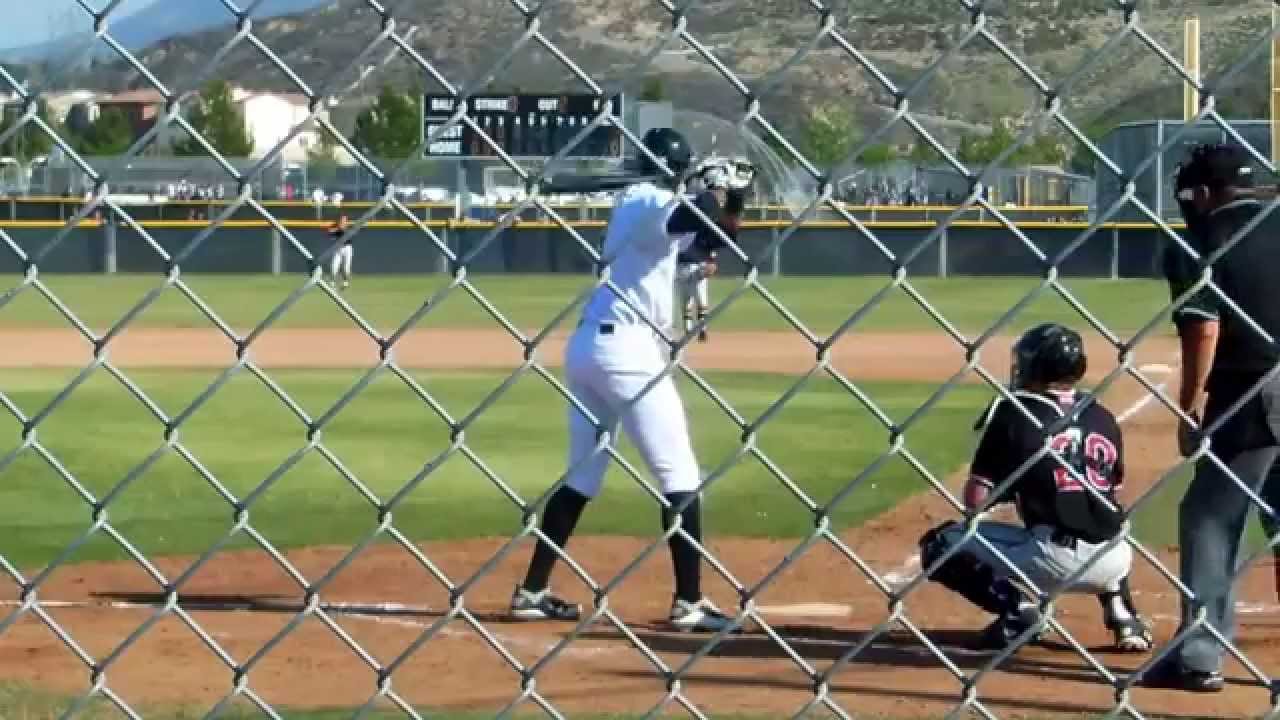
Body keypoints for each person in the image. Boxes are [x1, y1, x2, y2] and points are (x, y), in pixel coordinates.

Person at [508, 127, 750, 633]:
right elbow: (689, 214)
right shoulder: (648, 200)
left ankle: (531, 591)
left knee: (582, 476)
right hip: (627, 352)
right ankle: (689, 602)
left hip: (593, 347)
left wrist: (734, 196)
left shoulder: (646, 203)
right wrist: (709, 188)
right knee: (680, 474)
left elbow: (713, 236)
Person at [918, 323, 1152, 652]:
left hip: (1053, 558)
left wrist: (1015, 487)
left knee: (940, 545)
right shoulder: (1101, 415)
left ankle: (1018, 611)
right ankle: (1124, 616)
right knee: (1097, 511)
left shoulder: (1013, 412)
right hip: (1117, 554)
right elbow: (1113, 484)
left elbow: (976, 501)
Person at [1148, 143, 1280, 692]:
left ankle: (1199, 657)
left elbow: (1203, 329)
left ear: (1203, 194)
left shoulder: (1198, 240)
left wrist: (1191, 404)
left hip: (1250, 389)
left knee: (1208, 516)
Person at [327, 214, 354, 290]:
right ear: (339, 220)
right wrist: (337, 228)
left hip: (347, 248)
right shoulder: (334, 225)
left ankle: (345, 282)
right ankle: (332, 283)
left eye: (345, 220)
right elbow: (329, 232)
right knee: (334, 267)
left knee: (346, 268)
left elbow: (349, 233)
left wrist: (341, 228)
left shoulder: (349, 226)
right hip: (338, 248)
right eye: (342, 220)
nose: (343, 221)